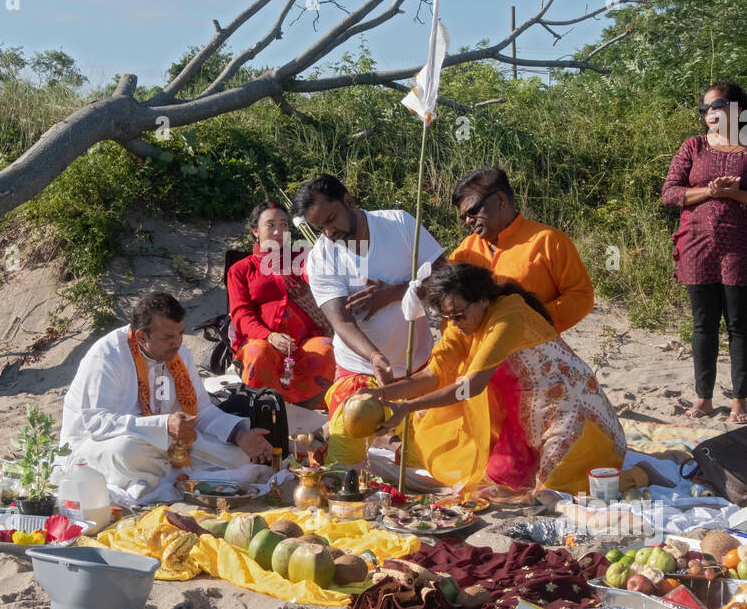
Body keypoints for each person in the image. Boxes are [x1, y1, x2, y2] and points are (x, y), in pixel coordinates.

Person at [369, 262, 626, 497]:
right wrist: (381, 395)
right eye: (447, 317)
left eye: (458, 314)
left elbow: (471, 386)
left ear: (483, 300)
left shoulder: (508, 316)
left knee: (551, 492)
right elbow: (433, 374)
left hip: (569, 409)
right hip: (521, 419)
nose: (454, 323)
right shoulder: (463, 323)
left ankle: (634, 473)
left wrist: (407, 406)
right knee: (500, 481)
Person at [60, 291, 274, 503]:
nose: (178, 342)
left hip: (169, 444)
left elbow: (202, 411)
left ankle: (167, 480)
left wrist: (239, 435)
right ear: (141, 337)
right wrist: (162, 426)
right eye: (168, 337)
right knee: (127, 451)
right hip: (104, 445)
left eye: (180, 333)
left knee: (239, 457)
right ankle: (175, 481)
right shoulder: (108, 356)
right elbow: (97, 423)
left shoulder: (180, 355)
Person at [291, 173, 445, 462]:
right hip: (361, 369)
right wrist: (374, 357)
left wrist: (395, 292)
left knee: (420, 463)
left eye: (331, 219)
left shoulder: (398, 223)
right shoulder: (321, 256)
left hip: (419, 365)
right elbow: (341, 322)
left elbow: (444, 274)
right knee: (345, 458)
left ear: (349, 201)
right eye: (319, 227)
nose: (328, 233)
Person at [662, 81, 747, 424]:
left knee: (740, 326)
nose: (711, 112)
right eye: (705, 108)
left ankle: (740, 402)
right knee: (703, 325)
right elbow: (670, 193)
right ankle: (704, 400)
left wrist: (735, 194)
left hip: (739, 248)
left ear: (739, 110)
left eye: (718, 105)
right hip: (696, 245)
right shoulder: (693, 146)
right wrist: (708, 191)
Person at [449, 166, 594, 334]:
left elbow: (581, 296)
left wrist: (532, 319)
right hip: (478, 354)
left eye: (473, 211)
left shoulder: (548, 240)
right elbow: (448, 298)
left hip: (534, 351)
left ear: (500, 200)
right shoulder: (467, 249)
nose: (468, 221)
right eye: (463, 216)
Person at [227, 200, 335, 407]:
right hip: (263, 340)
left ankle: (305, 414)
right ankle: (263, 411)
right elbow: (241, 314)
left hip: (305, 341)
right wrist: (270, 336)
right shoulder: (241, 270)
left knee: (326, 349)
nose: (279, 231)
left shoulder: (304, 260)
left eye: (284, 225)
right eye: (270, 225)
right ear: (255, 231)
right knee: (256, 353)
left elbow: (323, 274)